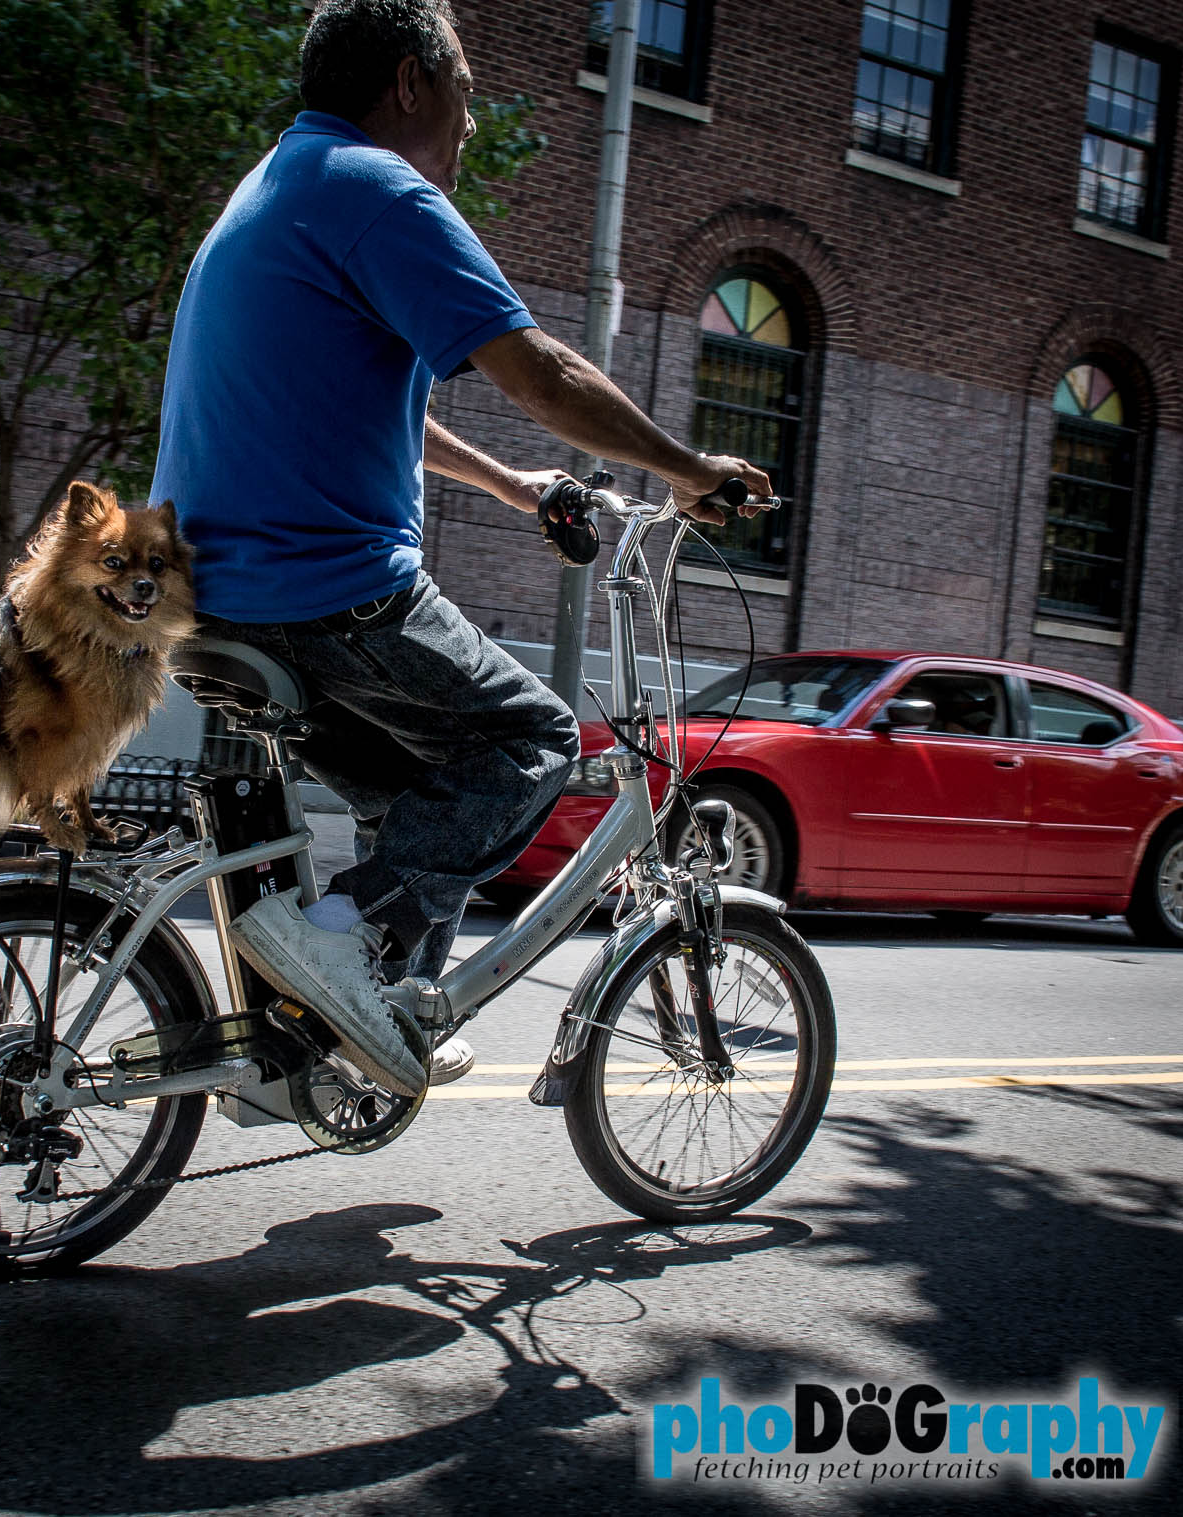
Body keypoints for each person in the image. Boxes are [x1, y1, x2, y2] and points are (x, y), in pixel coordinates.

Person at [151, 0, 772, 1099]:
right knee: (529, 741)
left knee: (420, 799)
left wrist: (510, 482)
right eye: (467, 94)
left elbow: (363, 402)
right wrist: (686, 469)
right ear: (408, 82)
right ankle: (333, 944)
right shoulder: (376, 188)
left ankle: (334, 1033)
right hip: (324, 594)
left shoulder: (281, 185)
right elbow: (540, 371)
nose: (472, 123)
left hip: (216, 596)